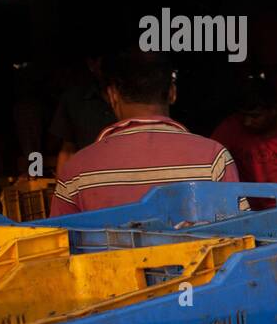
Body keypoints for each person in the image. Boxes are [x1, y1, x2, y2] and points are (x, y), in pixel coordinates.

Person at [49, 48, 239, 215]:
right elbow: (240, 234)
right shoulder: (214, 158)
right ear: (172, 93)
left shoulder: (76, 171)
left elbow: (59, 245)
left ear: (113, 96)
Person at [50, 55, 116, 175]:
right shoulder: (74, 99)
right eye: (105, 62)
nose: (110, 68)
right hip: (90, 183)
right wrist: (61, 190)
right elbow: (68, 150)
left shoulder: (135, 98)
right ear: (92, 64)